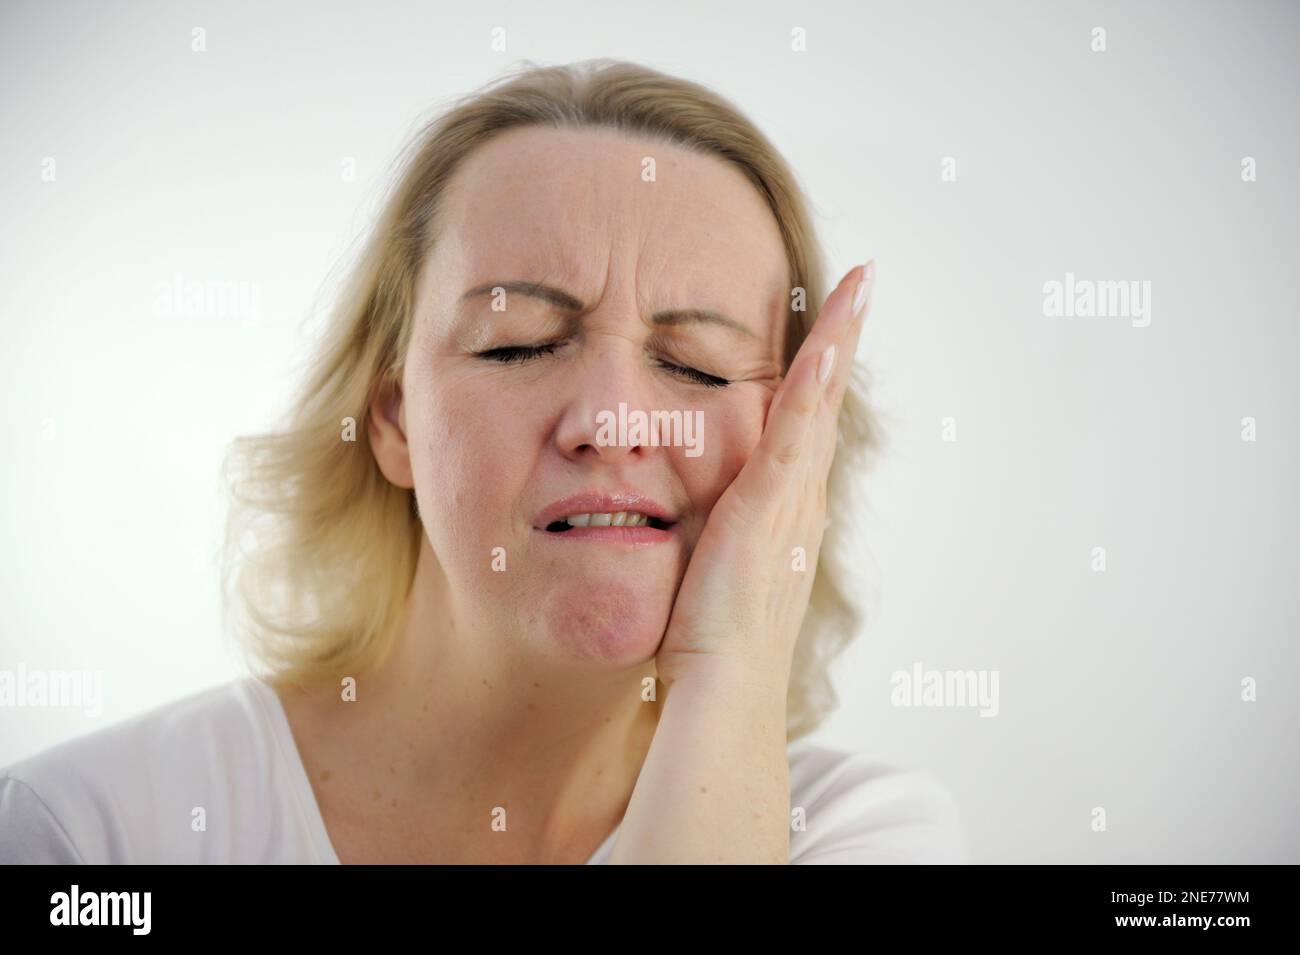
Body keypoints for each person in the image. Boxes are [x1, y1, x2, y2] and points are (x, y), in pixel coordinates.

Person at [0, 58, 968, 864]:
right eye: (518, 345)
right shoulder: (92, 831)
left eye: (696, 364)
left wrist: (731, 671)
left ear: (800, 439)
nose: (611, 422)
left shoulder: (863, 834)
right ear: (392, 420)